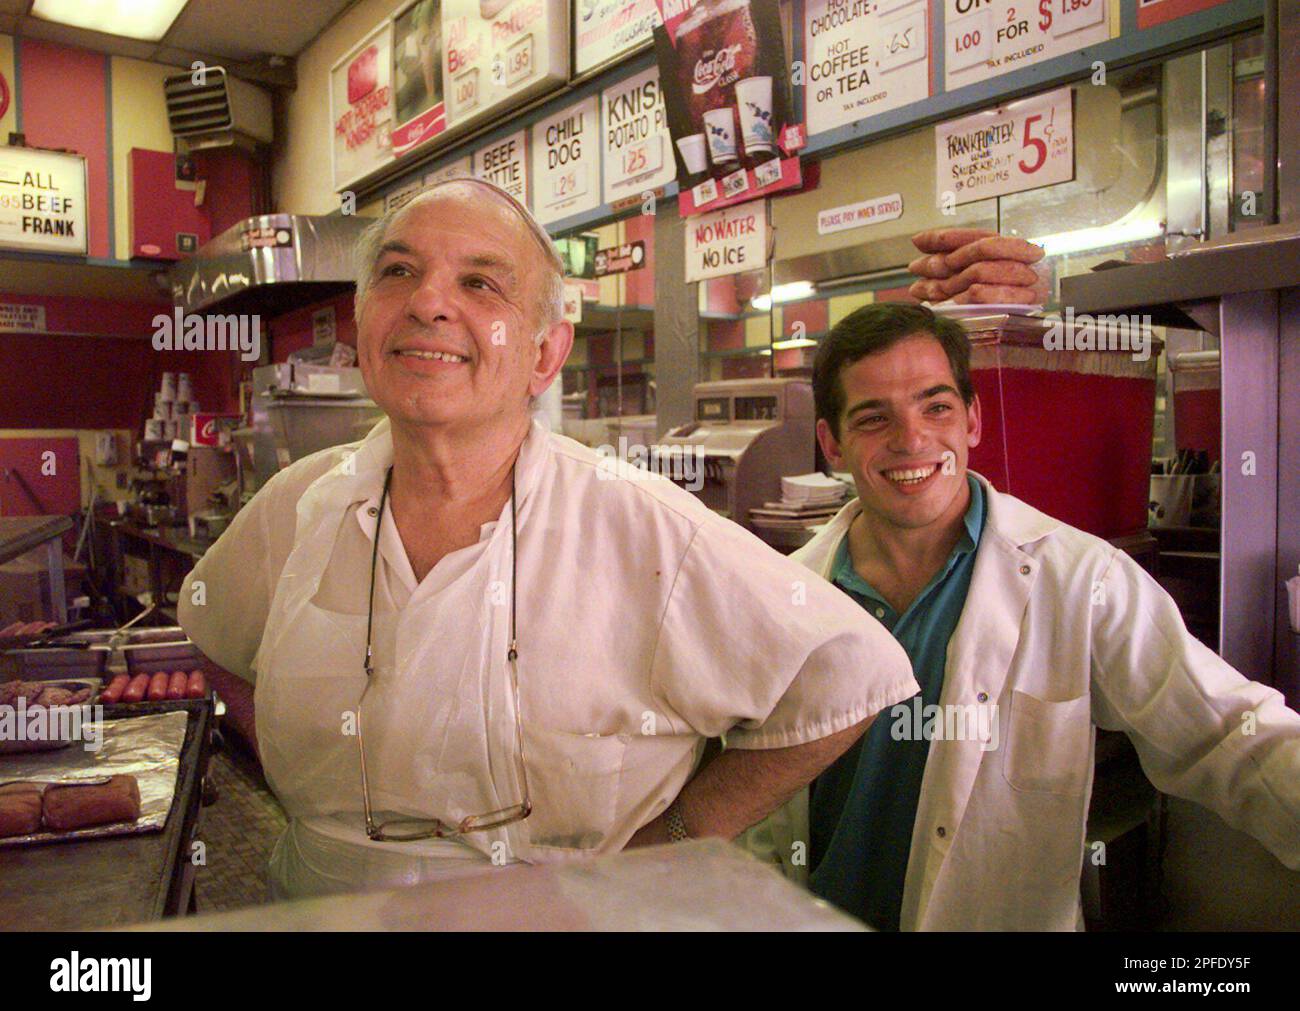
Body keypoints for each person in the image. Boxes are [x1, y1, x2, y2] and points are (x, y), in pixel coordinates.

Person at [178, 178, 924, 899]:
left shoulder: (639, 524)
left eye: (480, 284)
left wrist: (676, 835)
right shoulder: (296, 504)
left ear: (544, 355)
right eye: (398, 271)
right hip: (320, 911)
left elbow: (849, 672)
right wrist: (296, 778)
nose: (428, 302)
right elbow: (212, 627)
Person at [747, 301, 1300, 930]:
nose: (912, 439)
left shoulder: (1079, 579)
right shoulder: (784, 596)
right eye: (874, 418)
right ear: (832, 444)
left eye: (936, 407)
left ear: (973, 420)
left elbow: (1227, 730)